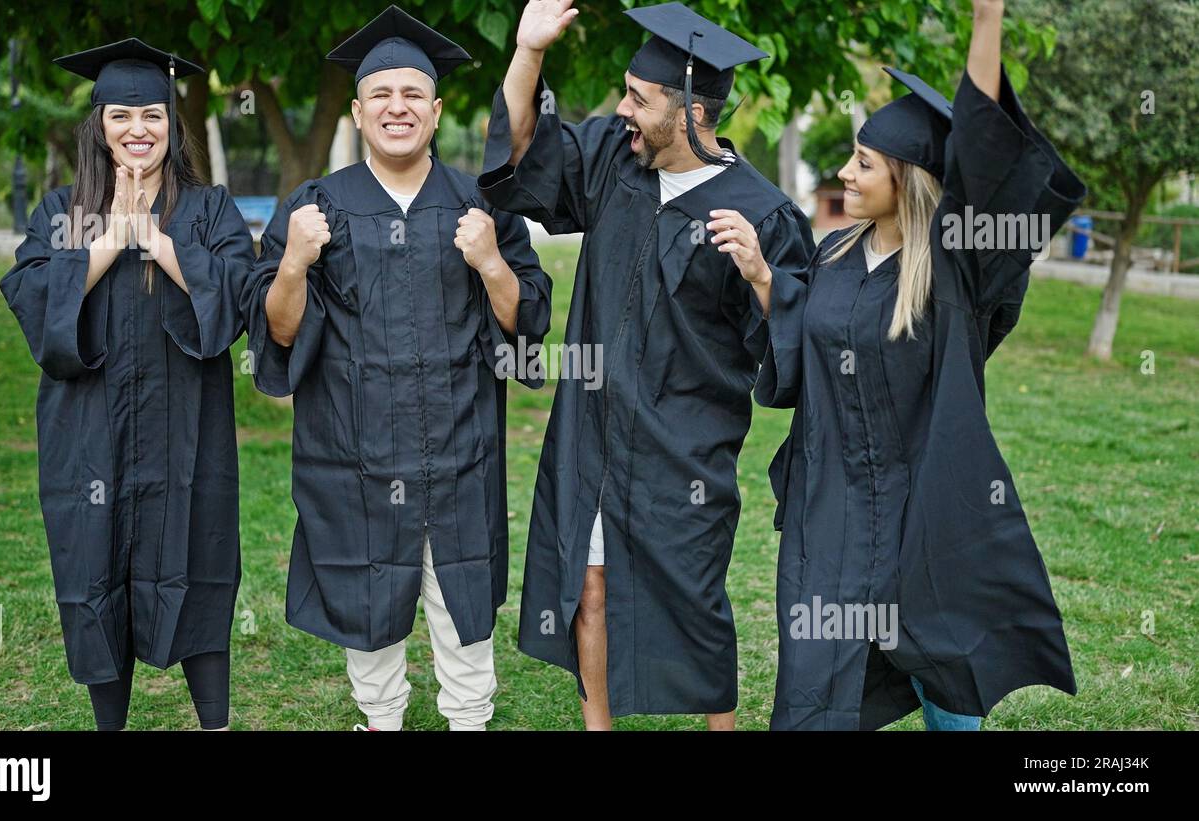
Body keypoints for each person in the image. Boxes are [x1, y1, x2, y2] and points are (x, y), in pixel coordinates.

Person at [747, 0, 1083, 730]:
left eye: (863, 163)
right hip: (830, 510)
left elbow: (987, 167)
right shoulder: (834, 257)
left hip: (923, 512)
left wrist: (987, 22)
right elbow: (802, 353)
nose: (844, 173)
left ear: (909, 179)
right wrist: (766, 282)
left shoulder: (955, 275)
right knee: (812, 685)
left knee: (944, 675)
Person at [479, 1, 815, 729]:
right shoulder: (611, 160)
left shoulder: (764, 213)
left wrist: (762, 276)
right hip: (595, 427)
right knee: (589, 584)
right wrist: (528, 52)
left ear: (692, 112)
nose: (624, 108)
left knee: (694, 601)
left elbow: (795, 346)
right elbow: (520, 153)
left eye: (640, 98)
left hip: (685, 444)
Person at [240, 5, 552, 731]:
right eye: (381, 95)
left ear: (437, 110)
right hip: (353, 446)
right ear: (357, 110)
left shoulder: (481, 206)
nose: (397, 107)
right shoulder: (316, 206)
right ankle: (380, 719)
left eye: (413, 94)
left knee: (461, 587)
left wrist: (490, 260)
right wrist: (293, 260)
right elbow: (277, 331)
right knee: (366, 584)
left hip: (459, 442)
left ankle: (468, 717)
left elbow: (525, 320)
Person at [0, 39, 255, 730]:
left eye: (153, 115)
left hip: (186, 437)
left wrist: (163, 243)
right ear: (99, 123)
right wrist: (111, 237)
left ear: (173, 128)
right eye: (121, 115)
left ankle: (216, 722)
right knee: (95, 566)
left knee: (197, 559)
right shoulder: (62, 209)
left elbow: (239, 298)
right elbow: (30, 297)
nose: (137, 128)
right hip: (90, 436)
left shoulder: (209, 210)